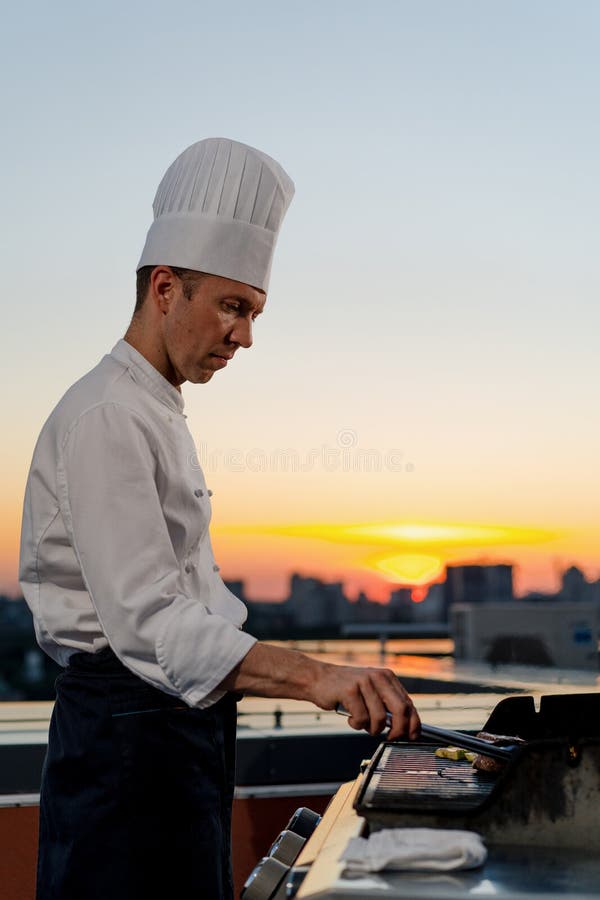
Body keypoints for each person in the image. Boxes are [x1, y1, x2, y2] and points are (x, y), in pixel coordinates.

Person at [19, 137, 421, 900]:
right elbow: (153, 624)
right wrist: (319, 677)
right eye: (233, 307)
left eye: (254, 312)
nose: (245, 336)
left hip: (172, 737)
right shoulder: (106, 414)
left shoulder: (153, 406)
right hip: (124, 747)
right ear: (165, 287)